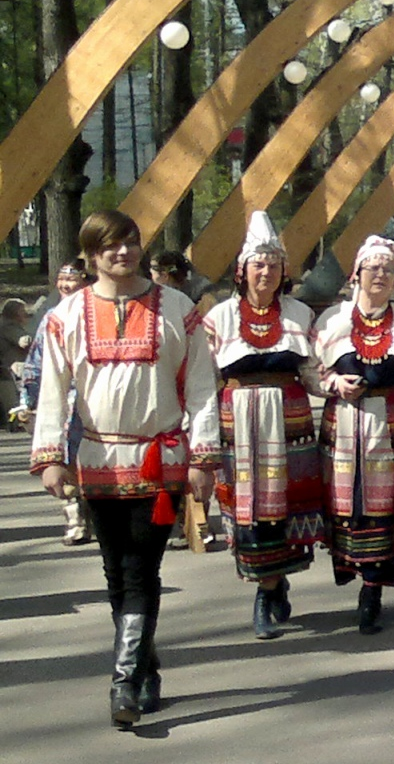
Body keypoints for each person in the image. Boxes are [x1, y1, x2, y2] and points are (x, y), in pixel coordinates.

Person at [31, 209, 220, 728]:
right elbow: (53, 391)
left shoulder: (176, 308)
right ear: (92, 254)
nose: (123, 252)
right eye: (111, 245)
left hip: (159, 463)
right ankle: (145, 663)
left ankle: (123, 682)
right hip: (96, 461)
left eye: (131, 242)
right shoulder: (66, 316)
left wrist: (204, 455)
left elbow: (203, 387)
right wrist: (49, 455)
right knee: (116, 573)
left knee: (141, 571)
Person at [202, 212, 326, 640]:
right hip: (238, 420)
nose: (266, 272)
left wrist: (339, 387)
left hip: (289, 419)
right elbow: (208, 378)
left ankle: (276, 582)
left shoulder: (299, 313)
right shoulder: (218, 318)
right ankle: (262, 589)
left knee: (285, 508)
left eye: (273, 265)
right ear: (242, 270)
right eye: (259, 264)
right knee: (249, 509)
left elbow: (312, 371)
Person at [313, 235, 394, 635]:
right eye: (372, 268)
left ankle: (373, 590)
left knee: (382, 505)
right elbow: (312, 370)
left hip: (391, 425)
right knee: (346, 505)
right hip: (342, 424)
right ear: (355, 274)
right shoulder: (331, 321)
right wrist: (334, 383)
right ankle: (353, 574)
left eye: (388, 268)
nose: (380, 274)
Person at [20, 259, 93, 545]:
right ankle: (76, 520)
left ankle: (100, 514)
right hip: (64, 401)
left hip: (95, 400)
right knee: (65, 458)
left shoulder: (99, 312)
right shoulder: (53, 316)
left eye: (72, 279)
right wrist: (29, 397)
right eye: (61, 279)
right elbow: (37, 360)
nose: (65, 285)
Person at [0, 298, 32, 427]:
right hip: (13, 369)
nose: (25, 314)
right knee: (15, 403)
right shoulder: (9, 326)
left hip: (8, 370)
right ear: (15, 313)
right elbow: (23, 341)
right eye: (22, 311)